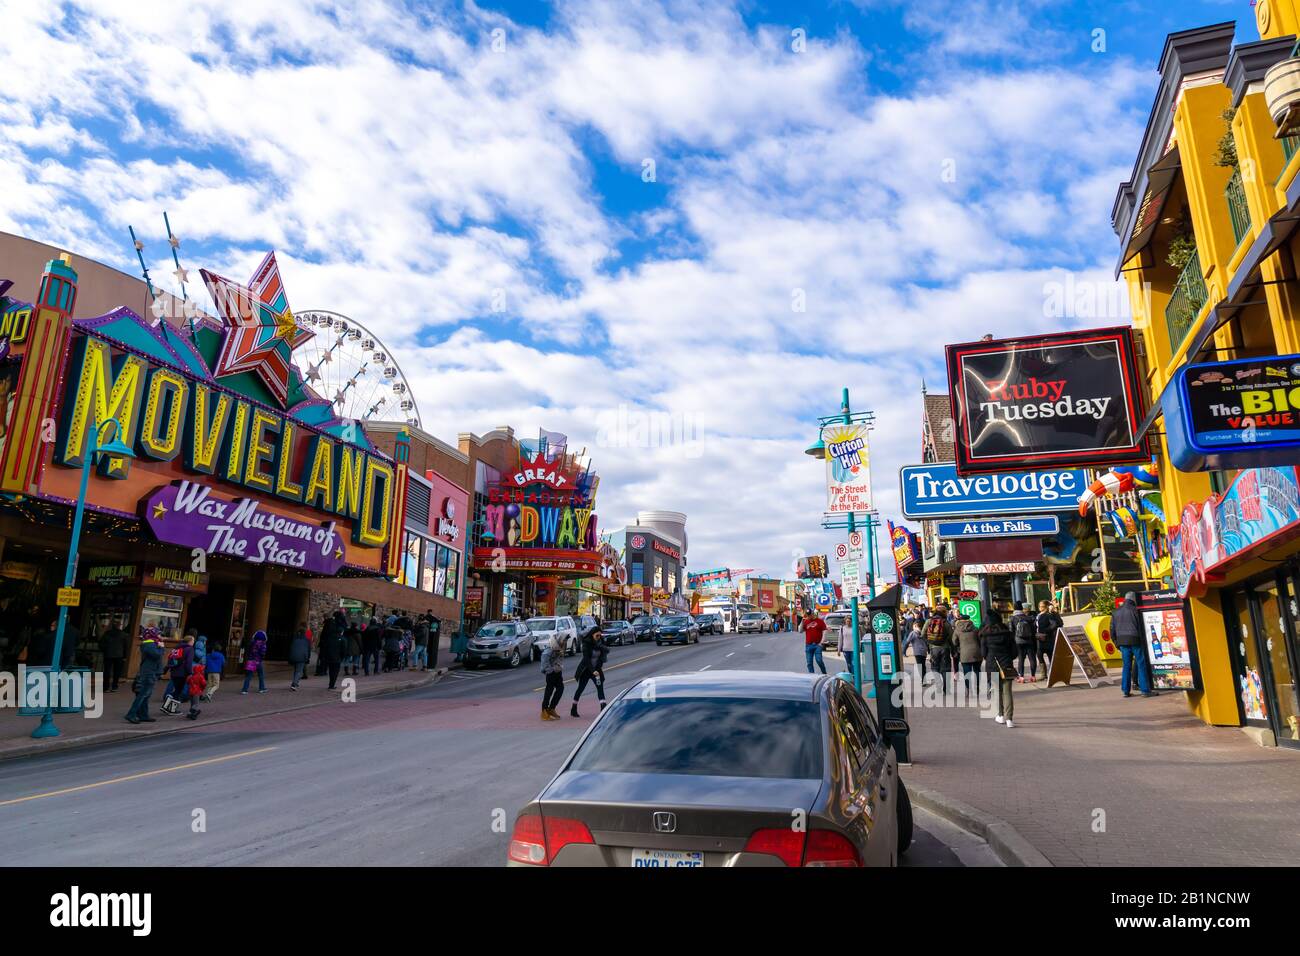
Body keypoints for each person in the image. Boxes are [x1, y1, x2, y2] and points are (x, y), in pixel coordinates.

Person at [1113, 591, 1158, 698]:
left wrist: (1117, 643)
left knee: (1126, 666)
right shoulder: (1136, 611)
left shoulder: (1116, 612)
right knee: (1141, 665)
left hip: (1123, 642)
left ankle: (1125, 691)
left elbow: (1112, 630)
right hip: (1136, 641)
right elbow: (1142, 628)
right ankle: (1145, 691)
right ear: (1134, 599)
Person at [979, 608, 1018, 727]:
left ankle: (1000, 715)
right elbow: (1014, 652)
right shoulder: (1007, 633)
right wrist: (1008, 658)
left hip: (992, 665)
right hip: (1006, 664)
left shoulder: (984, 635)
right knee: (1007, 692)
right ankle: (1009, 719)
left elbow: (983, 653)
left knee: (997, 691)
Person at [126, 627, 166, 723]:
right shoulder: (149, 645)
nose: (160, 636)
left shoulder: (151, 644)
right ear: (153, 634)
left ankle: (143, 714)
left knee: (146, 695)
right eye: (158, 634)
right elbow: (156, 655)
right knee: (143, 694)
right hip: (149, 672)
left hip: (151, 671)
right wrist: (161, 647)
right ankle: (131, 714)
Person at [570, 628, 608, 717]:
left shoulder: (601, 642)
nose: (598, 637)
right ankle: (573, 708)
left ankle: (603, 708)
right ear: (592, 634)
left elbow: (602, 657)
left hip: (596, 669)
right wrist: (592, 670)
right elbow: (586, 659)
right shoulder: (586, 643)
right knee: (581, 688)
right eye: (597, 635)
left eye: (600, 635)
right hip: (586, 670)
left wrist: (597, 669)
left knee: (600, 687)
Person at [924, 606, 955, 688]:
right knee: (946, 668)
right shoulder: (946, 622)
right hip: (945, 648)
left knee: (934, 667)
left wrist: (930, 642)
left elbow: (922, 634)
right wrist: (953, 650)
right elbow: (952, 637)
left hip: (933, 649)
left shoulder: (928, 621)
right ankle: (946, 688)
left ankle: (938, 684)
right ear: (943, 613)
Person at [952, 610, 981, 694]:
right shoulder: (975, 628)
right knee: (977, 671)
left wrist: (959, 646)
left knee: (967, 672)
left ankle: (968, 689)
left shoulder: (957, 630)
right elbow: (980, 640)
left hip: (964, 654)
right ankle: (977, 688)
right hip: (976, 653)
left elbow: (954, 642)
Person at [318, 611, 348, 689]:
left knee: (331, 667)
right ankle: (331, 684)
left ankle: (325, 675)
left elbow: (323, 636)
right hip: (337, 649)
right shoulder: (340, 626)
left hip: (329, 648)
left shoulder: (329, 623)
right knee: (335, 669)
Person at [1010, 601, 1038, 682]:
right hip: (1029, 641)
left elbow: (1011, 631)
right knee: (1032, 658)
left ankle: (1021, 677)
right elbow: (1033, 629)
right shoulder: (1029, 618)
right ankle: (1033, 676)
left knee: (1021, 659)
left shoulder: (1012, 618)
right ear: (1022, 608)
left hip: (1018, 642)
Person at [540, 634, 565, 720]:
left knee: (560, 689)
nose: (564, 642)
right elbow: (544, 661)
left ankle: (551, 708)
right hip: (551, 673)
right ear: (559, 640)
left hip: (558, 672)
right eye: (563, 641)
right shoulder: (550, 649)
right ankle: (544, 710)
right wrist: (550, 670)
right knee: (549, 691)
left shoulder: (559, 648)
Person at [99, 617, 128, 692]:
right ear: (119, 625)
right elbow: (125, 646)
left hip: (108, 655)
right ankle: (114, 686)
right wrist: (124, 656)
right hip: (119, 656)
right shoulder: (123, 634)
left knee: (107, 671)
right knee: (117, 672)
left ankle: (106, 687)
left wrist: (104, 651)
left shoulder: (107, 633)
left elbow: (101, 644)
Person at [1035, 600, 1062, 676]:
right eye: (1039, 606)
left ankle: (1053, 673)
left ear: (1046, 607)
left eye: (1042, 606)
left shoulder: (1049, 615)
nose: (1040, 608)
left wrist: (1045, 631)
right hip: (1039, 639)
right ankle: (1043, 674)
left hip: (1048, 639)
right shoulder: (1038, 615)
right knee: (1039, 655)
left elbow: (1054, 625)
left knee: (1051, 656)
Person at [241, 630, 269, 694]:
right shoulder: (263, 644)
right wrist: (260, 658)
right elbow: (263, 653)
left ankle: (244, 690)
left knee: (248, 676)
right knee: (261, 675)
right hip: (258, 661)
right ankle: (261, 688)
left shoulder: (252, 642)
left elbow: (248, 650)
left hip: (251, 660)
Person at [800, 610, 827, 675]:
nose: (808, 616)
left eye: (809, 615)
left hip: (817, 645)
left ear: (812, 614)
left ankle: (824, 673)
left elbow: (825, 631)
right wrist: (802, 621)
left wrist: (821, 642)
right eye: (807, 615)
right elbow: (800, 631)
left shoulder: (820, 621)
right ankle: (812, 676)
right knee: (809, 663)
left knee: (819, 660)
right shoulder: (806, 621)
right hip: (808, 645)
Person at [288, 624, 311, 690]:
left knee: (296, 671)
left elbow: (291, 648)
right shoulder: (307, 640)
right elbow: (308, 649)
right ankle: (294, 684)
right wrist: (308, 657)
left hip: (294, 656)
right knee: (299, 671)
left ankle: (295, 683)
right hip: (302, 657)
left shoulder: (295, 638)